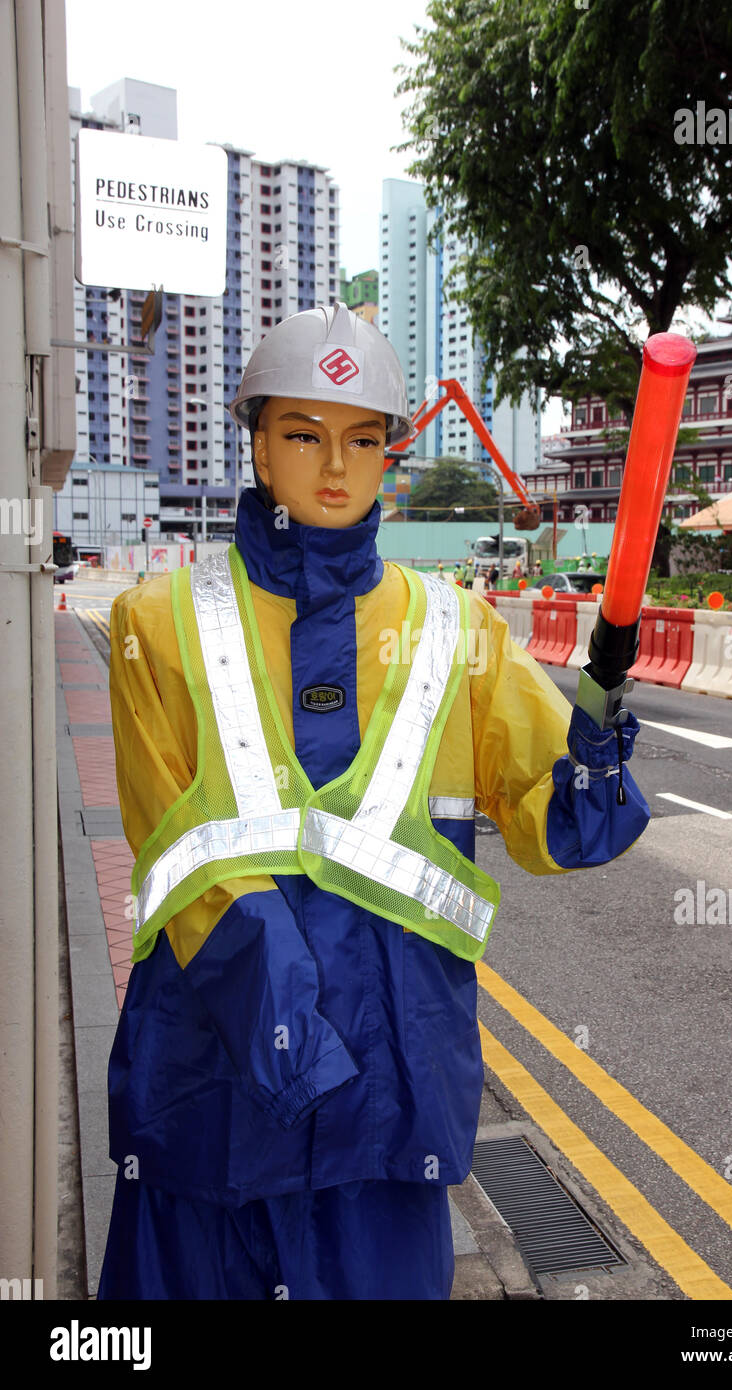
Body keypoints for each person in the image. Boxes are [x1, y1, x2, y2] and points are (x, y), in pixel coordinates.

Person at [97, 301, 650, 1302]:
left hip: (387, 1109)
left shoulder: (457, 629)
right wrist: (294, 1045)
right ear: (258, 447)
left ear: (390, 455)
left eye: (363, 440)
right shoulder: (158, 623)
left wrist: (594, 764)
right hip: (212, 1095)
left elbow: (551, 820)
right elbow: (184, 868)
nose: (335, 467)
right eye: (303, 437)